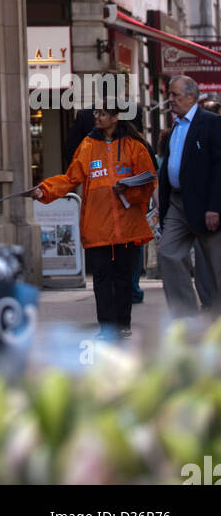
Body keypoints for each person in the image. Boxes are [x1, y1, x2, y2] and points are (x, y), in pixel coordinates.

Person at [31, 103, 156, 340]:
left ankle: (123, 322)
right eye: (96, 113)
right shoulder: (87, 146)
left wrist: (128, 191)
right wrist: (44, 190)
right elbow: (70, 179)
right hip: (97, 226)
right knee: (101, 279)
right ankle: (107, 328)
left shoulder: (135, 147)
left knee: (123, 278)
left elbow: (148, 183)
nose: (97, 117)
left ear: (116, 117)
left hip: (127, 226)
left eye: (102, 114)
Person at [157, 75, 221, 317]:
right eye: (170, 95)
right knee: (168, 253)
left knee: (217, 266)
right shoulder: (176, 126)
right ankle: (186, 319)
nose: (170, 99)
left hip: (206, 205)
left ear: (192, 97)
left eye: (175, 95)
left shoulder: (211, 123)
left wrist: (215, 206)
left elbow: (219, 166)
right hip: (177, 202)